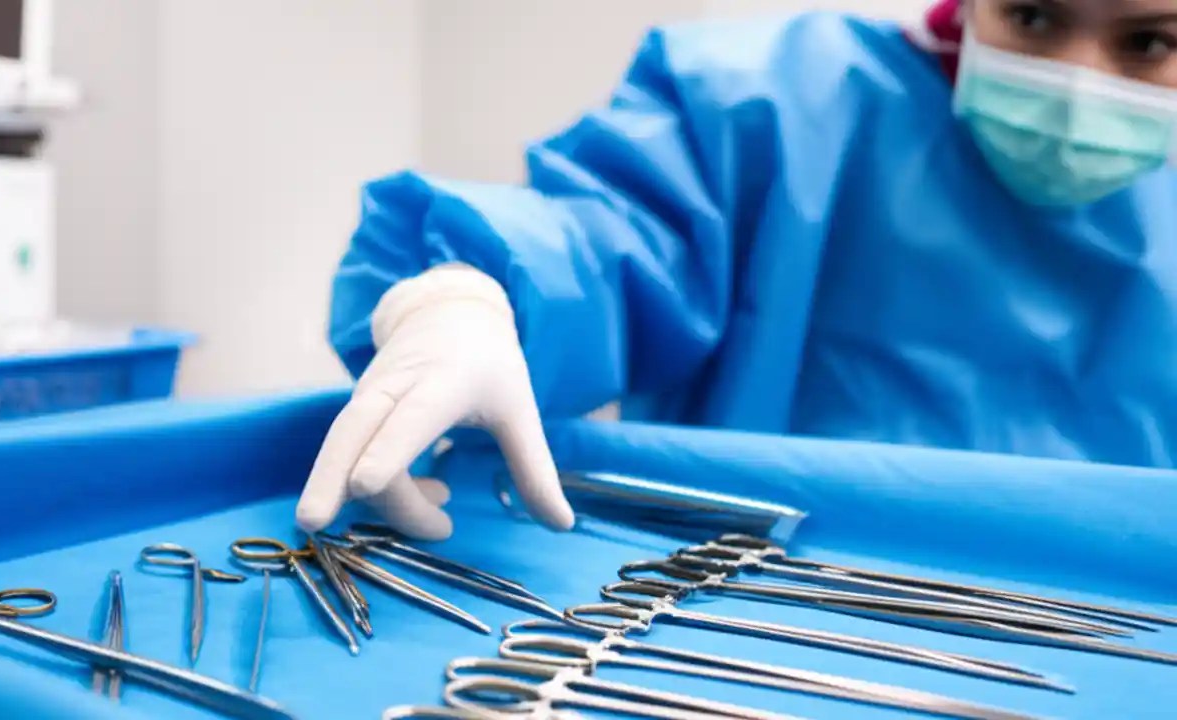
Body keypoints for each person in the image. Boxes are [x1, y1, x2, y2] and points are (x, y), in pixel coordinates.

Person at [297, 0, 1177, 540]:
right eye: (1031, 15)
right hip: (747, 575)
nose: (1078, 83)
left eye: (1148, 42)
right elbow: (612, 237)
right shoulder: (782, 101)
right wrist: (470, 293)